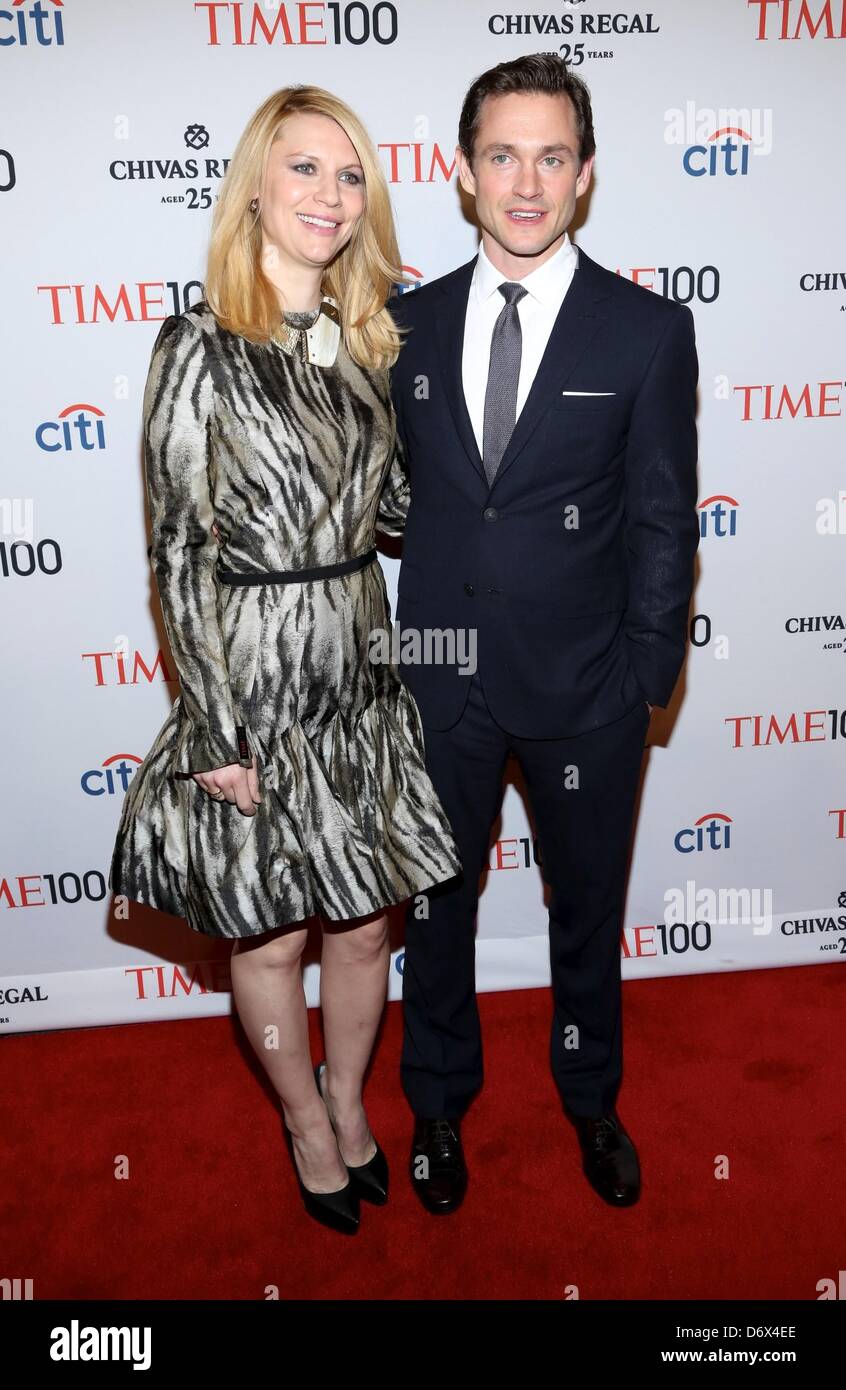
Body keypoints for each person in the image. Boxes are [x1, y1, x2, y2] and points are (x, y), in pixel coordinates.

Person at [108, 85, 461, 1235]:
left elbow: (396, 510)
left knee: (363, 921)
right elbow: (176, 549)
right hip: (253, 673)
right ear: (255, 185)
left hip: (358, 656)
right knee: (268, 928)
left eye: (350, 176)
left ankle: (349, 1100)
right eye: (305, 167)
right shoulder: (198, 344)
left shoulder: (366, 344)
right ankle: (304, 1122)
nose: (330, 194)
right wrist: (215, 727)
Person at [384, 54, 699, 1213]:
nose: (527, 183)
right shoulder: (401, 326)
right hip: (439, 678)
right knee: (436, 906)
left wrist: (644, 677)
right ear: (464, 172)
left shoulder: (645, 331)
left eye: (551, 157)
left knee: (587, 910)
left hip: (589, 689)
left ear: (586, 173)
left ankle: (591, 1099)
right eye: (503, 156)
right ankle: (435, 1103)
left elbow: (664, 517)